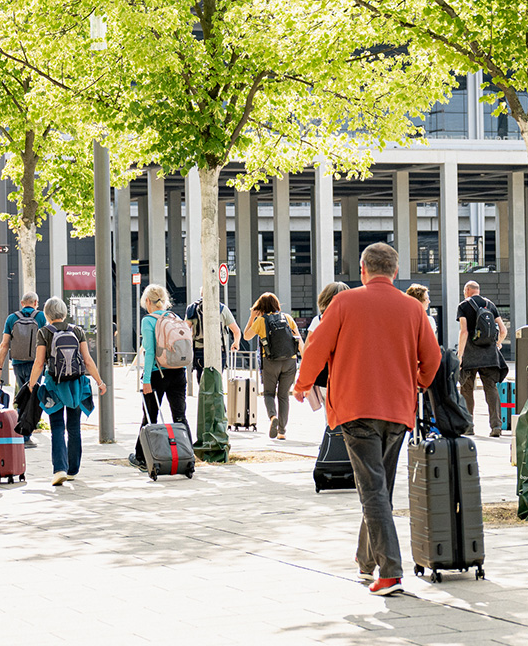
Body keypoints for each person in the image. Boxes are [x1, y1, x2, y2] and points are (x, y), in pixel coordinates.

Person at [293, 243, 440, 596]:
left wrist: (302, 385)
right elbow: (432, 359)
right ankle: (365, 561)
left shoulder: (344, 303)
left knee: (372, 490)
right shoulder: (413, 308)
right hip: (398, 411)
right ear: (395, 270)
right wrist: (417, 383)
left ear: (362, 269)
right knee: (379, 487)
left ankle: (390, 572)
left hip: (357, 409)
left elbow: (316, 347)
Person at [28, 296, 106, 485]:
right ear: (64, 313)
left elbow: (39, 362)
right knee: (73, 427)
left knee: (56, 427)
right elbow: (87, 360)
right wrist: (99, 381)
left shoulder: (44, 332)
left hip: (55, 384)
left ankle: (59, 469)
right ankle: (73, 469)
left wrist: (31, 385)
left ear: (47, 314)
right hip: (76, 385)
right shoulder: (77, 331)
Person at [129, 284, 190, 471]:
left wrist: (146, 380)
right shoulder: (175, 317)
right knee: (179, 416)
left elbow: (149, 352)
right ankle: (188, 457)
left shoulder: (148, 320)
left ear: (147, 301)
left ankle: (141, 457)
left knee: (150, 416)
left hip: (158, 374)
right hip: (179, 372)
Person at [244, 292, 303, 440]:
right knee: (283, 396)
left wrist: (252, 317)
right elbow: (298, 340)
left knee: (269, 394)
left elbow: (247, 336)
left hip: (271, 362)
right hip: (290, 361)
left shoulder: (261, 321)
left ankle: (272, 417)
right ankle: (282, 432)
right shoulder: (287, 318)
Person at [0, 290, 47, 447]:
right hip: (35, 363)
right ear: (36, 303)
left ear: (22, 304)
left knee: (22, 396)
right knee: (32, 397)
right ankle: (25, 435)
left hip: (17, 363)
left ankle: (21, 431)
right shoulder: (41, 317)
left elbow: (4, 345)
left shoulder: (12, 318)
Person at [456, 280, 508, 437]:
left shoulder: (463, 306)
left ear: (467, 290)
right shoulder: (489, 304)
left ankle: (468, 426)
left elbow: (464, 332)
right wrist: (497, 344)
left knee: (466, 389)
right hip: (489, 354)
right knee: (491, 389)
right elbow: (503, 330)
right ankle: (496, 426)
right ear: (478, 290)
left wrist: (460, 355)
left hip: (471, 354)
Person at [185, 287, 240, 381]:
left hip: (199, 350)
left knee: (202, 381)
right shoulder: (222, 309)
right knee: (216, 380)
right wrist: (236, 343)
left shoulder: (192, 309)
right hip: (218, 350)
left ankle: (203, 395)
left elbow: (185, 330)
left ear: (201, 294)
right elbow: (236, 331)